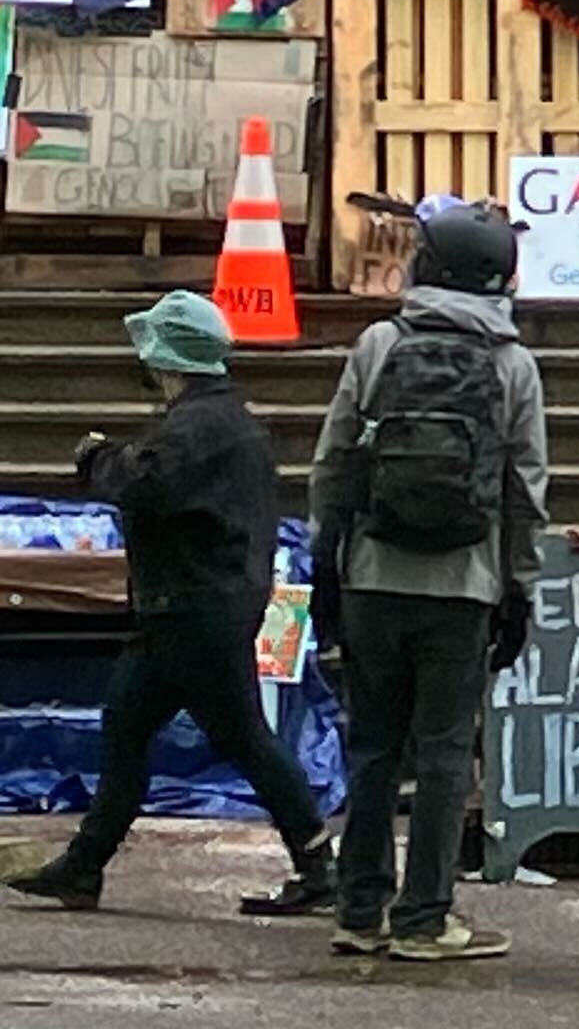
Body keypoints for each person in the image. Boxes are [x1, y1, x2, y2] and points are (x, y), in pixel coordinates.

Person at [6, 291, 341, 916]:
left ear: (166, 357)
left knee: (241, 738)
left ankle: (319, 863)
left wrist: (96, 457)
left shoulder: (196, 428)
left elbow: (142, 485)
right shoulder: (227, 420)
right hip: (192, 606)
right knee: (127, 724)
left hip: (195, 609)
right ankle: (83, 866)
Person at [309, 200, 548, 963]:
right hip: (463, 585)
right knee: (447, 753)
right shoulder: (513, 364)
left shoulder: (378, 345)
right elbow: (525, 491)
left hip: (373, 576)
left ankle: (357, 907)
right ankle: (425, 918)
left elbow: (334, 461)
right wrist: (519, 587)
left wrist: (329, 560)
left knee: (373, 747)